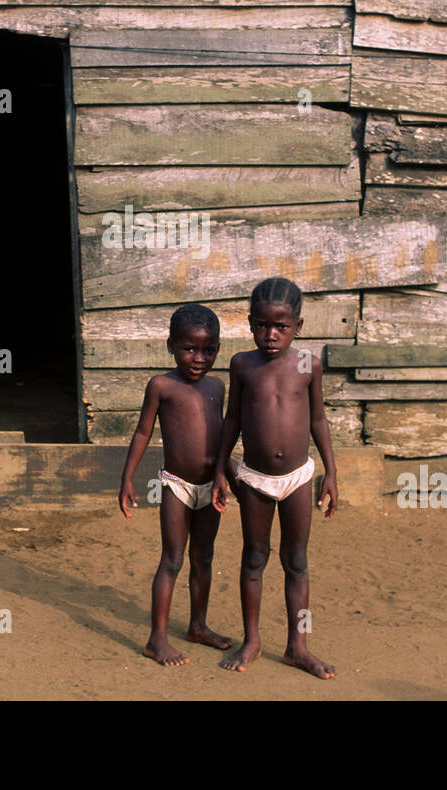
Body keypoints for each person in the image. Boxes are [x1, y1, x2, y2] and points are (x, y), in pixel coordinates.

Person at [212, 277, 337, 678]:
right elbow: (232, 419)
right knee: (254, 558)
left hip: (298, 477)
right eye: (262, 325)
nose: (271, 335)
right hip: (254, 478)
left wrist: (331, 472)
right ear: (250, 323)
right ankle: (252, 640)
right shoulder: (243, 364)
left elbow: (317, 418)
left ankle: (297, 646)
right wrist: (219, 468)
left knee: (297, 562)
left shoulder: (308, 365)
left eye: (281, 326)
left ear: (298, 326)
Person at [118, 303, 233, 666]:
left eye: (208, 350)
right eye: (189, 349)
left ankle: (197, 626)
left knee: (204, 557)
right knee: (172, 559)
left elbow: (220, 438)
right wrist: (127, 479)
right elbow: (142, 432)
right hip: (177, 486)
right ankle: (157, 640)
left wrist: (225, 475)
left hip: (209, 486)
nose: (199, 358)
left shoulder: (217, 386)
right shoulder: (162, 386)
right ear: (170, 346)